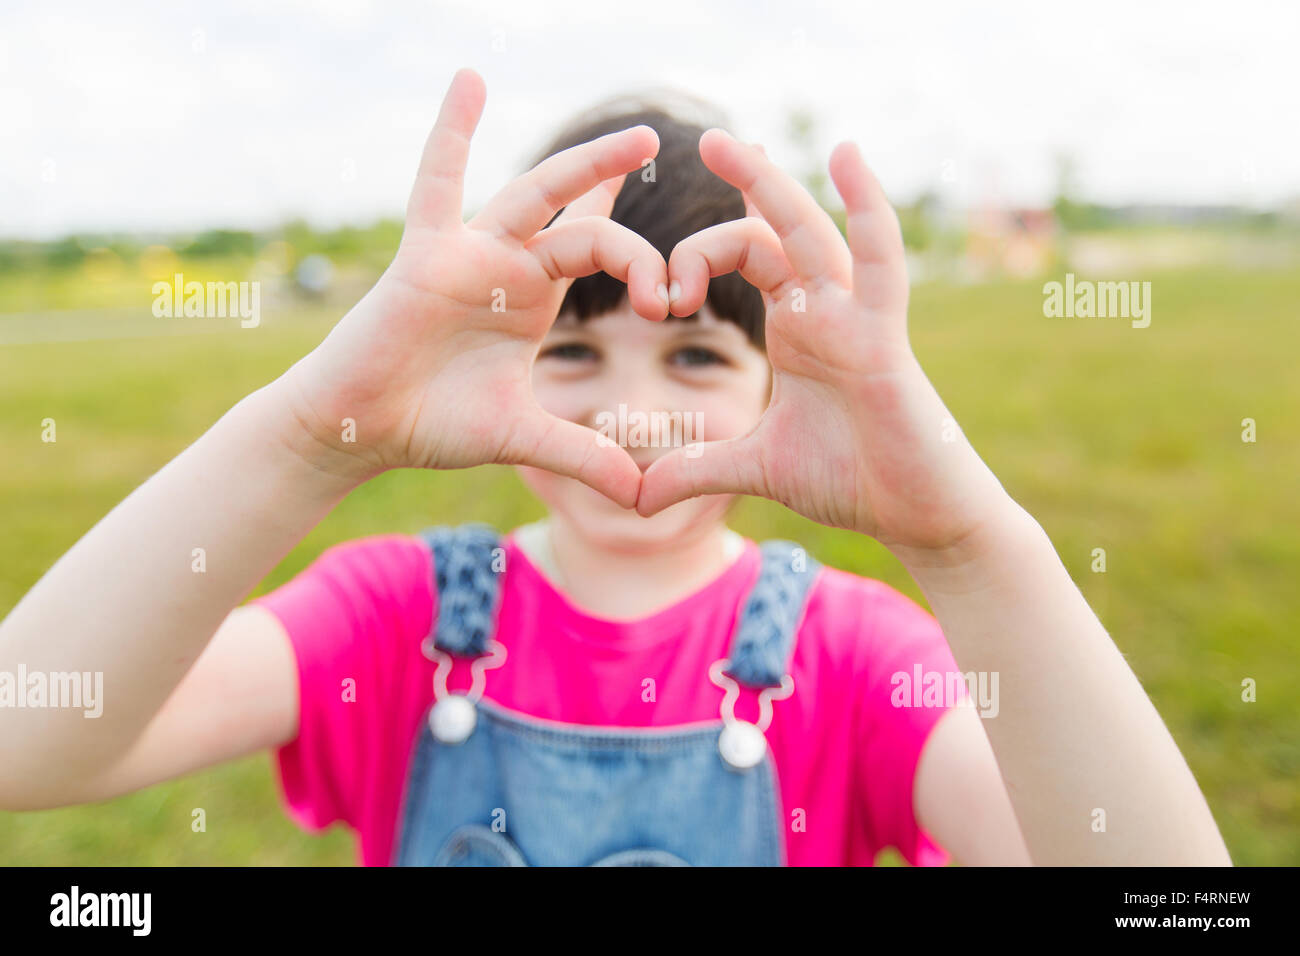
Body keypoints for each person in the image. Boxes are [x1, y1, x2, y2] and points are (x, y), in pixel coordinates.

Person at [0, 68, 1231, 866]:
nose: (632, 412)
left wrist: (968, 546)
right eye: (573, 345)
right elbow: (27, 742)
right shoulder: (397, 620)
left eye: (695, 353)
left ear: (772, 380)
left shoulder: (854, 659)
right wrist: (306, 432)